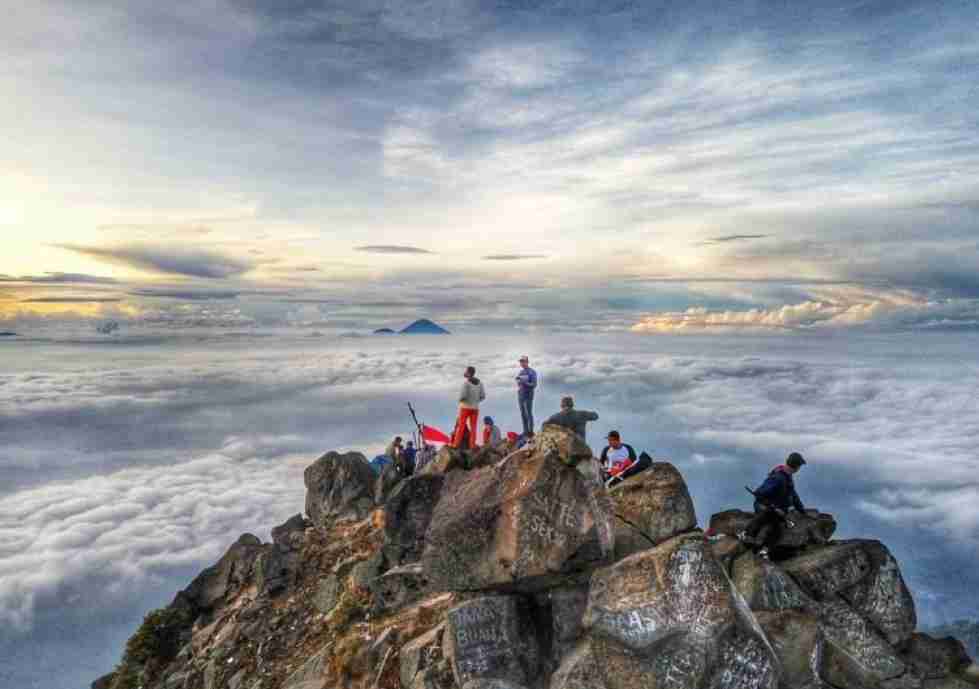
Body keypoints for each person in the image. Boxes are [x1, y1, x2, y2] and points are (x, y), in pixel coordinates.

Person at [739, 452, 808, 560]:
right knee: (770, 520)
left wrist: (802, 511)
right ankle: (747, 535)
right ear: (797, 467)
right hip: (764, 507)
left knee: (778, 527)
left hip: (776, 510)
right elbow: (760, 494)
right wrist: (773, 507)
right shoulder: (778, 478)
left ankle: (763, 550)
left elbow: (794, 496)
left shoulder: (787, 477)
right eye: (799, 466)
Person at [451, 366, 485, 450]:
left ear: (469, 373)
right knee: (473, 428)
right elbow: (483, 396)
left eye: (466, 371)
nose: (464, 373)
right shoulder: (480, 383)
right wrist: (476, 401)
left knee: (461, 426)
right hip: (475, 408)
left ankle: (455, 444)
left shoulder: (466, 383)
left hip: (465, 407)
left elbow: (462, 396)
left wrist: (460, 401)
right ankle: (472, 445)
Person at [515, 356, 538, 435]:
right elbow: (518, 384)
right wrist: (518, 381)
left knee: (528, 413)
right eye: (521, 362)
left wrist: (525, 382)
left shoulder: (532, 372)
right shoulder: (521, 372)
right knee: (523, 413)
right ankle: (525, 431)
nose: (522, 363)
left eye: (523, 361)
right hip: (521, 395)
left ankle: (530, 431)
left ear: (527, 362)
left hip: (528, 395)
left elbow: (534, 384)